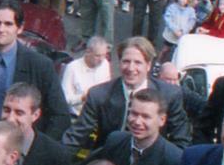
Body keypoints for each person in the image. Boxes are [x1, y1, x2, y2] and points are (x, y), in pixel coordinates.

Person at [0, 0, 68, 135]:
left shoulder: (40, 65)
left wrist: (36, 145)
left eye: (8, 24)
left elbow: (60, 115)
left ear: (19, 28)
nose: (1, 29)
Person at [66, 36, 194, 152]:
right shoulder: (99, 95)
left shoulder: (169, 95)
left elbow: (181, 140)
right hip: (109, 162)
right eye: (126, 61)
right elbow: (76, 137)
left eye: (138, 62)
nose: (131, 68)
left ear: (148, 65)